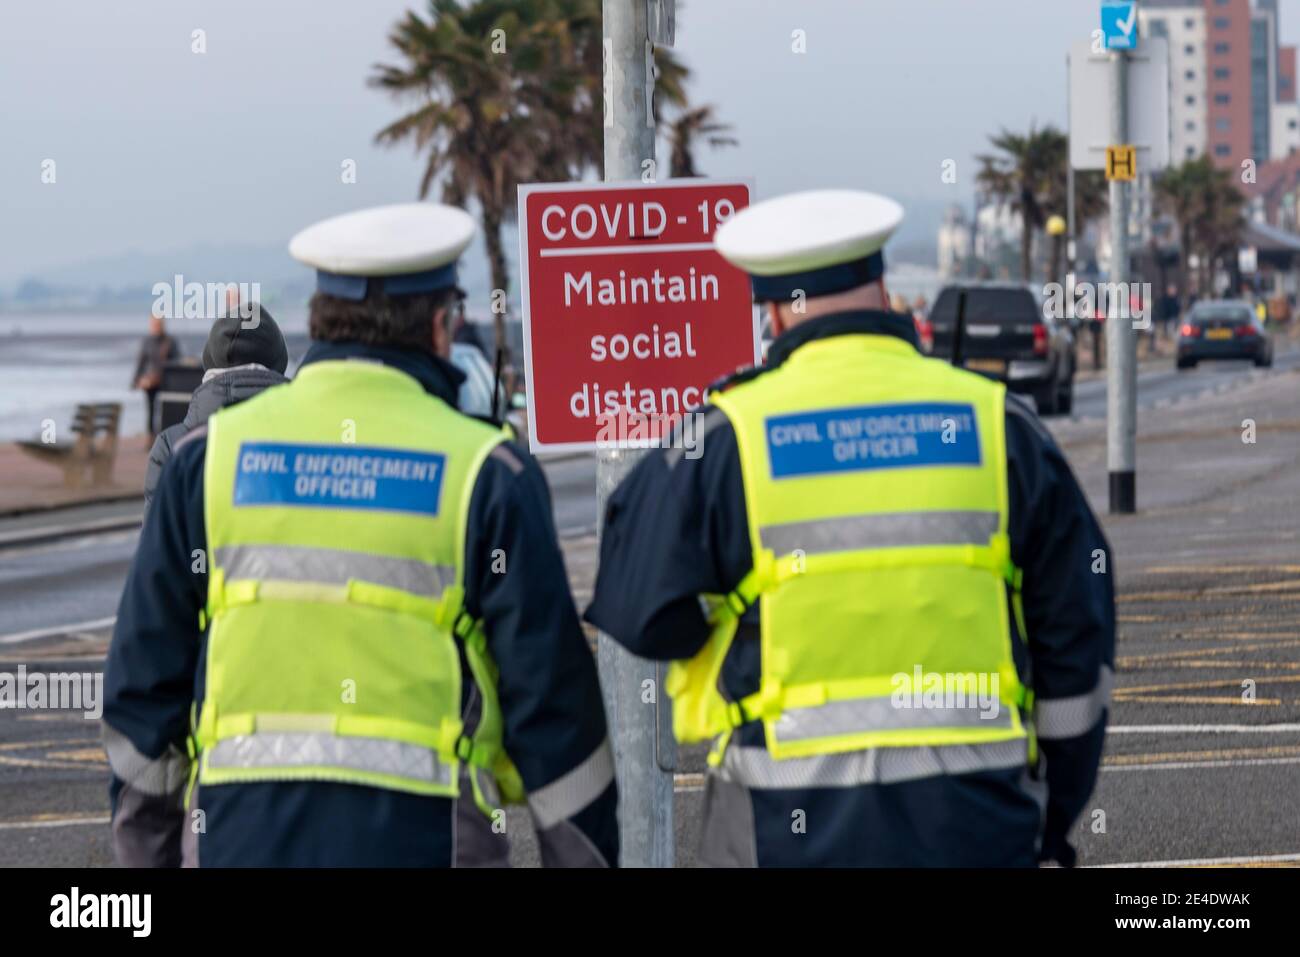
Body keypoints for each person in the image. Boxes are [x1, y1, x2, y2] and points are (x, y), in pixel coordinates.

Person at [586, 189, 1115, 867]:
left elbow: (634, 607)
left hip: (777, 831)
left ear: (773, 311)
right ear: (885, 288)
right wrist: (1049, 815)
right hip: (979, 825)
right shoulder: (999, 426)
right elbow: (1078, 639)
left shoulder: (724, 438)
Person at [102, 203, 617, 867]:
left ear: (319, 318)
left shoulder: (204, 461)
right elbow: (558, 724)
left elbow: (142, 698)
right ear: (440, 324)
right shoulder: (487, 472)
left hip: (237, 838)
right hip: (435, 839)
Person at [142, 305, 289, 515]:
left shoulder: (171, 447)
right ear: (279, 362)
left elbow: (155, 543)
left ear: (209, 362)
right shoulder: (308, 439)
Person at [130, 315, 181, 437]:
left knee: (166, 410)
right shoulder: (147, 341)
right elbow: (141, 362)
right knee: (151, 410)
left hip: (166, 381)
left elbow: (177, 360)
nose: (155, 326)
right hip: (150, 382)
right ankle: (151, 436)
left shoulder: (170, 341)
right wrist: (135, 380)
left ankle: (164, 435)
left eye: (157, 324)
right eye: (153, 324)